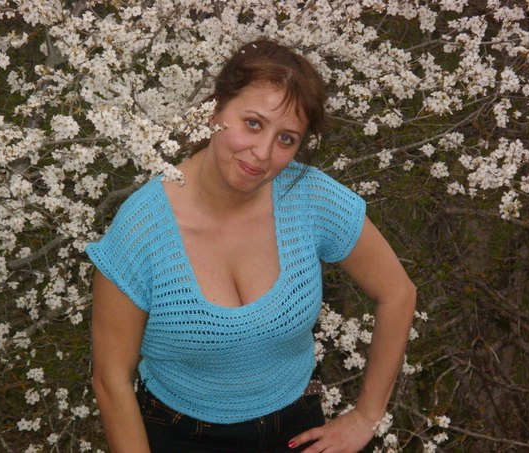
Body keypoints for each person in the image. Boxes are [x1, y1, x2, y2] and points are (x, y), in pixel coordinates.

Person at [86, 39, 416, 453]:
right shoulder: (142, 229)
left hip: (298, 429)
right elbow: (111, 379)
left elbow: (398, 293)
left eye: (286, 139)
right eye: (254, 124)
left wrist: (367, 416)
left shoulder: (309, 198)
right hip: (180, 435)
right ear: (214, 110)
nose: (262, 153)